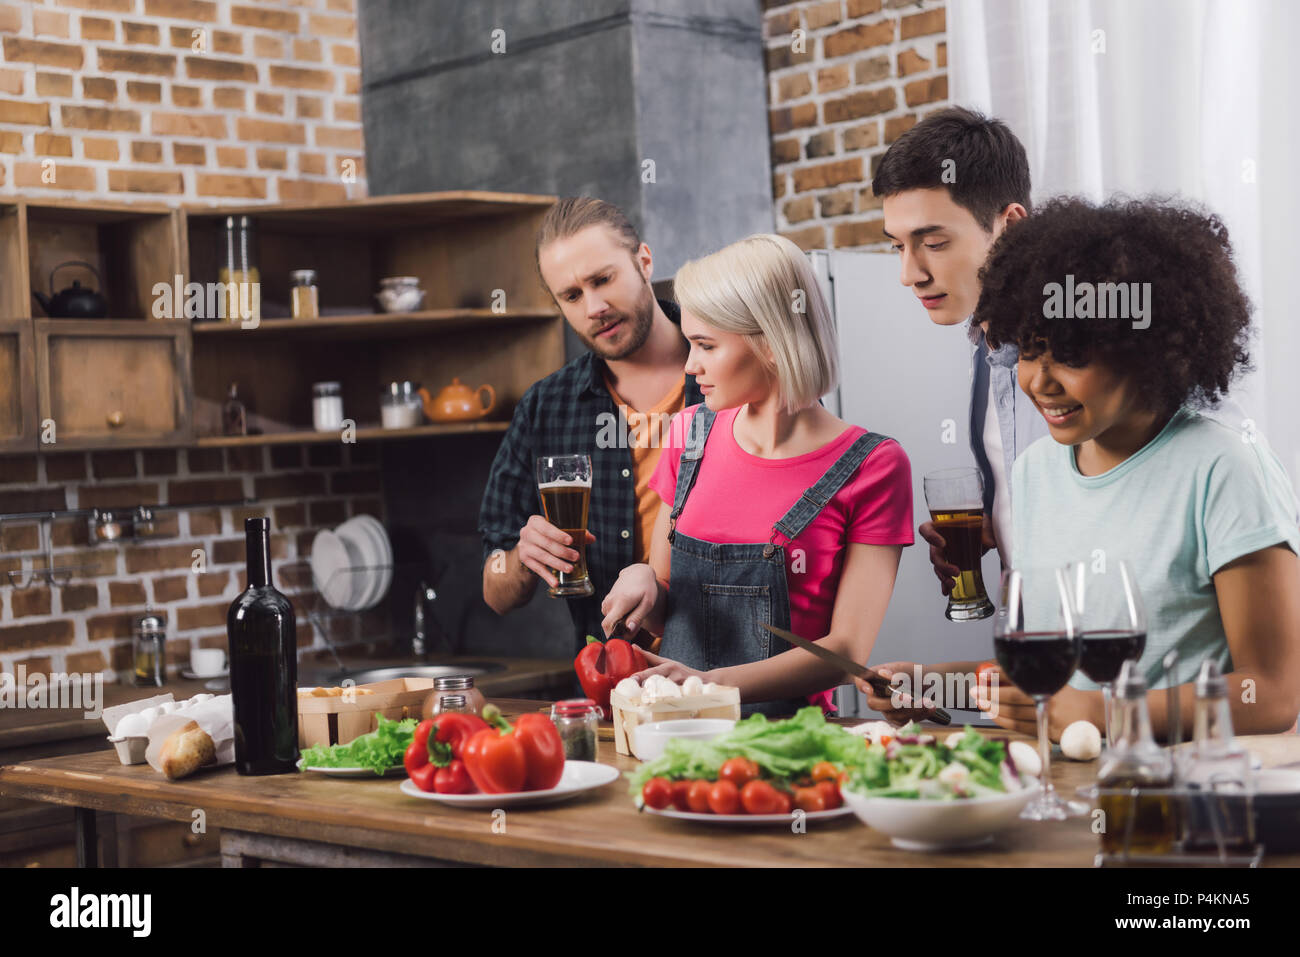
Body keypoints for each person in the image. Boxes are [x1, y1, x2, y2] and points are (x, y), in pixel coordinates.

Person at [866, 196, 1300, 738]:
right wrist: (933, 685)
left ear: (1149, 348)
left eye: (1070, 356)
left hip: (1184, 798)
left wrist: (1105, 715)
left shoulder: (1225, 467)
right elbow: (1056, 680)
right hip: (1067, 792)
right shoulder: (1034, 474)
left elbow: (1273, 692)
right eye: (1028, 350)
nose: (1040, 383)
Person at [599, 234, 914, 716]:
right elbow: (668, 606)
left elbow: (847, 651)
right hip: (679, 732)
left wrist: (710, 685)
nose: (690, 365)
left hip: (792, 740)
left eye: (706, 345)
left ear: (770, 343)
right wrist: (643, 579)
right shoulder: (688, 436)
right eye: (689, 344)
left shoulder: (874, 465)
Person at [478, 197, 702, 653]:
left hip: (732, 682)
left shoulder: (731, 371)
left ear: (643, 261)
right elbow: (494, 590)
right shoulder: (546, 408)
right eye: (573, 295)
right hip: (608, 688)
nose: (594, 306)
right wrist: (523, 558)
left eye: (603, 279)